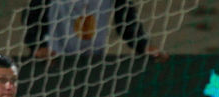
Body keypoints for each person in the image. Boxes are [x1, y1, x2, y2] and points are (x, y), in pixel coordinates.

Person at [24, 0, 169, 62]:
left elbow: (126, 20)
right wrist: (38, 46)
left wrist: (143, 45)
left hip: (94, 62)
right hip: (54, 62)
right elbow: (33, 18)